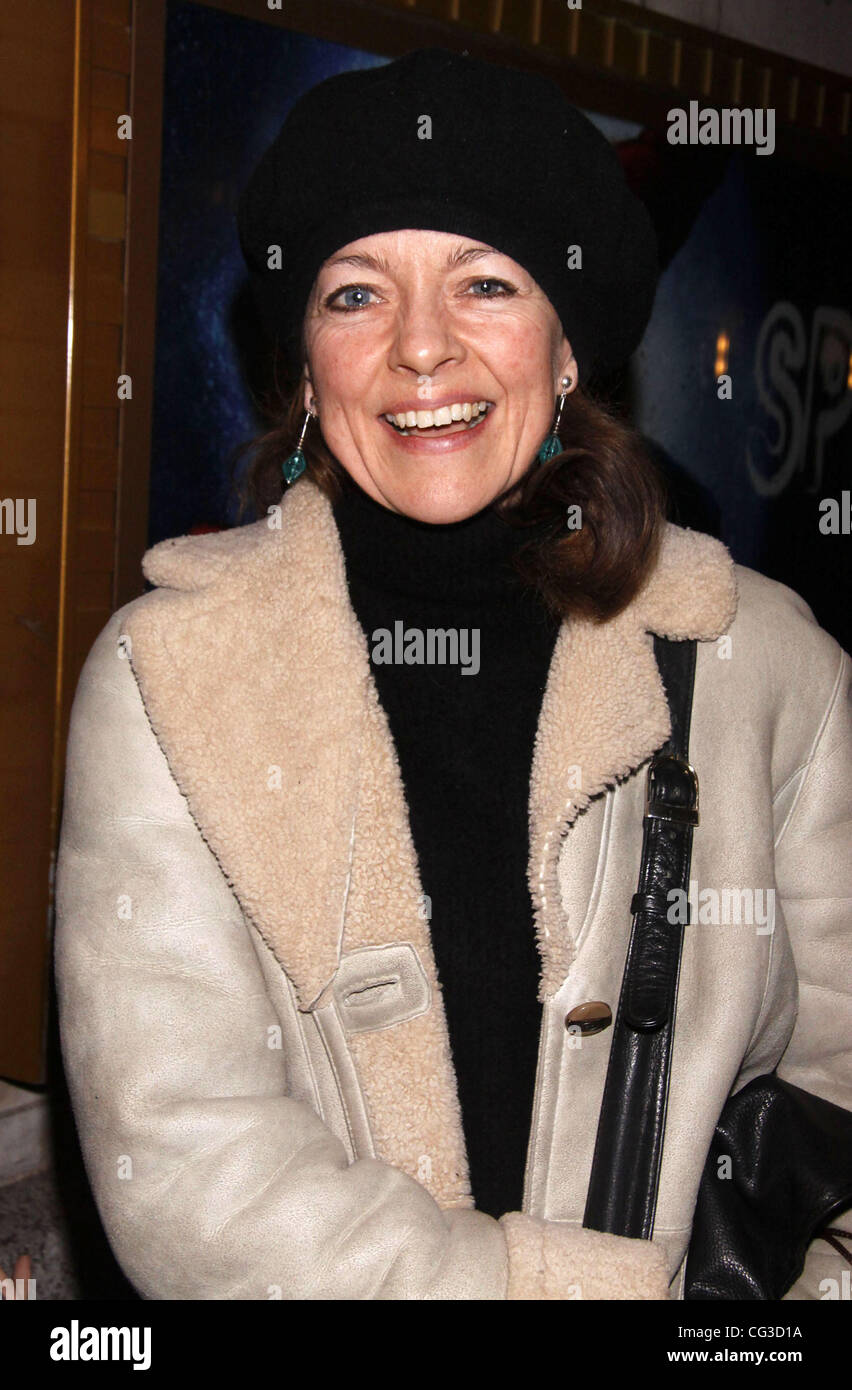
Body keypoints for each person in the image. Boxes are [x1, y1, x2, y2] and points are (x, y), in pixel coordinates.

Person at [54, 48, 851, 1300]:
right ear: (306, 363)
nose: (423, 349)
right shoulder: (163, 682)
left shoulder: (769, 669)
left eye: (485, 282)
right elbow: (190, 1169)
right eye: (357, 294)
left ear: (570, 347)